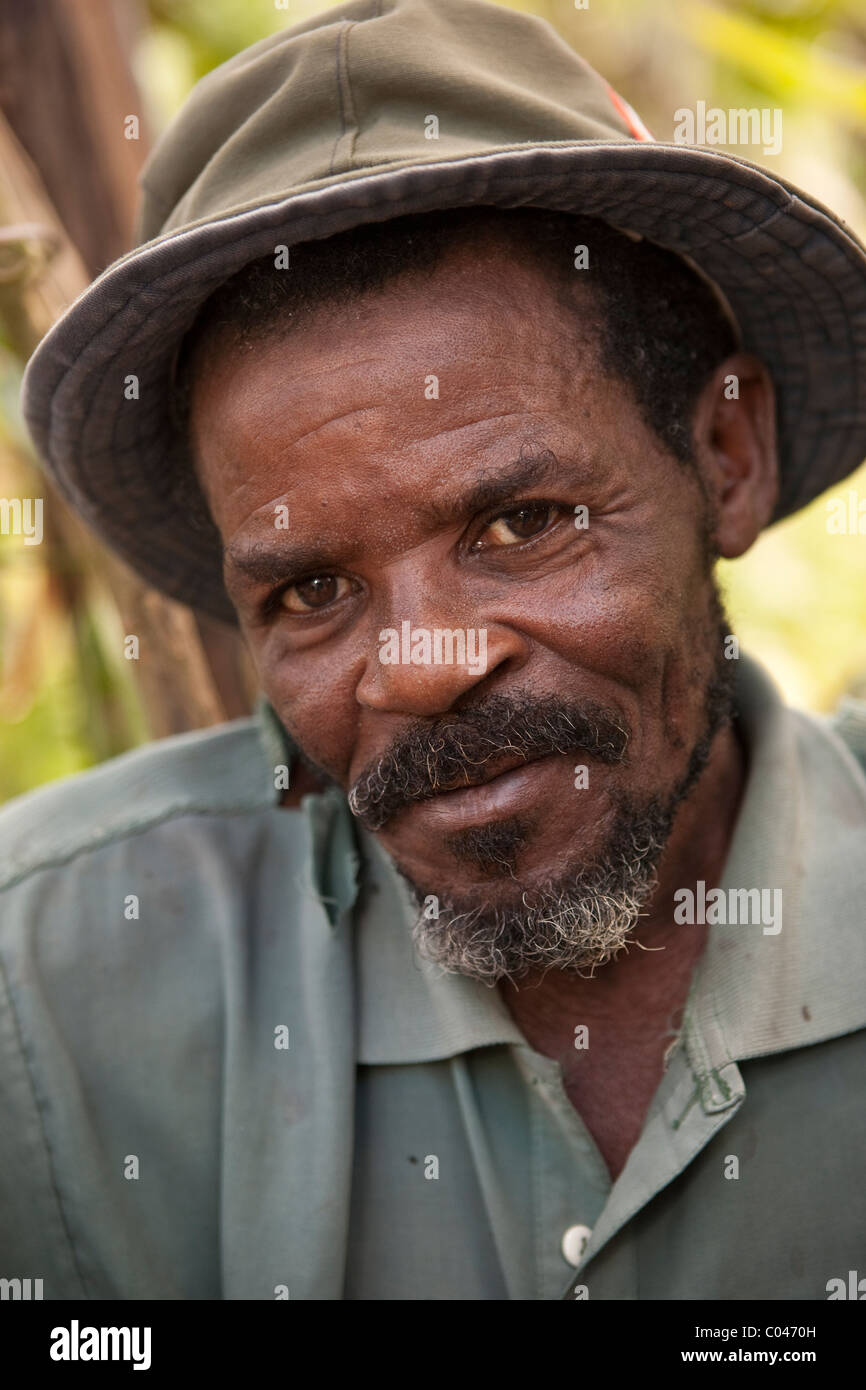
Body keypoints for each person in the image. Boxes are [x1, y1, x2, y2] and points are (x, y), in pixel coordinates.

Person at [3, 0, 865, 1300]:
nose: (417, 666)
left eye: (519, 523)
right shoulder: (47, 1003)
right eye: (309, 590)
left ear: (722, 459)